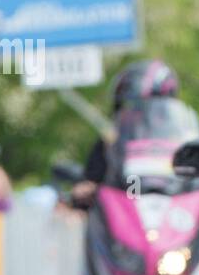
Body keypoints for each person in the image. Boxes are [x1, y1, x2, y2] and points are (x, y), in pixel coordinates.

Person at [70, 58, 180, 206]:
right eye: (131, 106)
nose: (138, 113)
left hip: (174, 213)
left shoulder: (182, 139)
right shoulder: (111, 141)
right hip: (123, 213)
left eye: (147, 106)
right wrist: (87, 190)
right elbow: (90, 180)